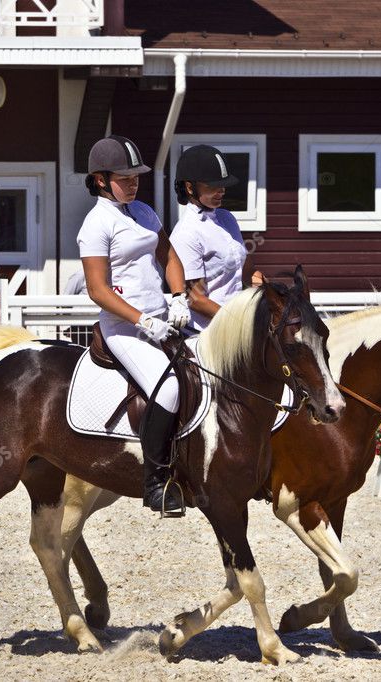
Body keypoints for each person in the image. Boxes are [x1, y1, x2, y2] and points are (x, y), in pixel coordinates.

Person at [76, 135, 191, 514]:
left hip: (162, 318)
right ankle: (156, 484)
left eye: (136, 176)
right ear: (100, 179)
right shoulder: (96, 223)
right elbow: (97, 289)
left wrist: (177, 296)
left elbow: (168, 255)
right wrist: (142, 320)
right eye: (124, 178)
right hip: (124, 327)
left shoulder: (145, 212)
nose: (133, 183)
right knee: (169, 390)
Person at [169, 145, 264, 331]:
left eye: (223, 185)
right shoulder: (186, 232)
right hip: (207, 332)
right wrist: (237, 321)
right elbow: (195, 299)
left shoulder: (227, 218)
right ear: (190, 187)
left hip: (238, 324)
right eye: (213, 186)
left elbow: (247, 271)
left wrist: (275, 294)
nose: (221, 191)